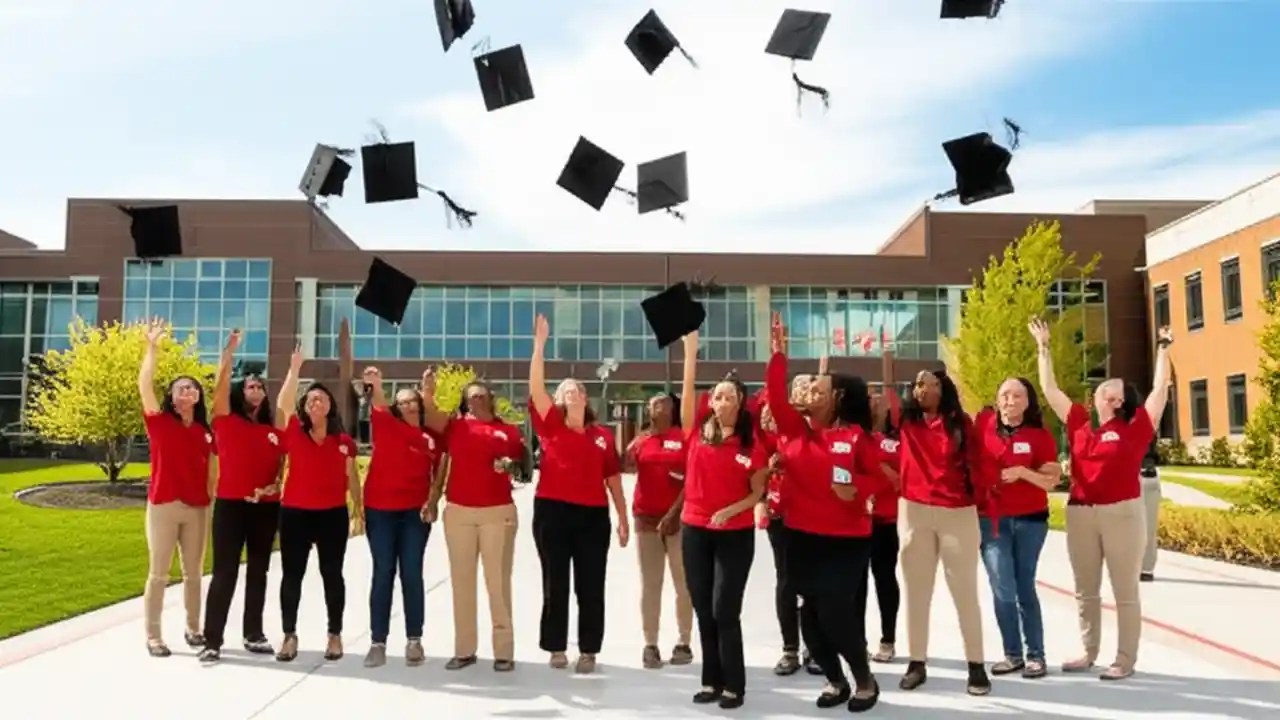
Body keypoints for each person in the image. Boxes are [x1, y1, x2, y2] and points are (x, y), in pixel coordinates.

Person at [1030, 319, 1172, 681]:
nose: (1105, 394)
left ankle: (1125, 658)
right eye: (1101, 390)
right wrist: (1043, 347)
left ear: (1120, 400)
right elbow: (1049, 389)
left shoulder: (1135, 426)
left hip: (1121, 513)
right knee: (1085, 589)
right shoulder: (1078, 422)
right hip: (1081, 514)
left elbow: (1160, 390)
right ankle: (1089, 651)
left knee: (1124, 590)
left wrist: (1164, 348)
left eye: (1112, 391)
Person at [765, 313, 887, 712]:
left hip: (846, 540)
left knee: (835, 612)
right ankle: (837, 681)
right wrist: (778, 354)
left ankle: (864, 680)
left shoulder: (856, 438)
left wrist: (857, 490)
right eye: (810, 388)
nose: (810, 393)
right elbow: (775, 396)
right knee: (810, 620)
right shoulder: (796, 431)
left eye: (819, 389)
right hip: (802, 536)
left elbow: (887, 480)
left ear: (837, 399)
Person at [528, 314, 630, 674]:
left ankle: (588, 650)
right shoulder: (550, 425)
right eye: (566, 389)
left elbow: (614, 479)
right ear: (559, 399)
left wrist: (623, 518)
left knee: (590, 585)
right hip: (553, 513)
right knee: (555, 582)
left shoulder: (601, 435)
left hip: (592, 517)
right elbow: (536, 389)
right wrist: (539, 347)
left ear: (585, 398)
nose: (573, 392)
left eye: (578, 389)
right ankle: (556, 647)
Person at [678, 329, 770, 710]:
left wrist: (730, 511)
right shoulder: (697, 434)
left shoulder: (752, 446)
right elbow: (685, 398)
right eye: (716, 396)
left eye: (729, 396)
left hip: (733, 534)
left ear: (741, 403)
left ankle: (735, 684)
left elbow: (757, 493)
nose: (721, 401)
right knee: (703, 607)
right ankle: (711, 681)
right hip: (694, 530)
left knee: (724, 609)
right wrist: (690, 355)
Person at [888, 360, 991, 695]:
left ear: (942, 389)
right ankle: (916, 662)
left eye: (928, 383)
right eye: (916, 384)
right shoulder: (906, 422)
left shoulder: (961, 424)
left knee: (965, 594)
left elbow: (979, 464)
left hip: (957, 513)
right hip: (915, 511)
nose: (920, 388)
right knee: (917, 594)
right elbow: (888, 391)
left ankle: (976, 666)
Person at [427, 379, 527, 672]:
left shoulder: (508, 430)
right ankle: (465, 650)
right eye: (471, 397)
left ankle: (504, 651)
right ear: (464, 401)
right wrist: (429, 391)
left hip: (498, 512)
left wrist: (511, 464)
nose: (477, 401)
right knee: (462, 583)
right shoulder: (455, 426)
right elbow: (432, 424)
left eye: (482, 396)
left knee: (497, 584)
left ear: (491, 398)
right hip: (459, 512)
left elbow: (525, 469)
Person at [273, 344, 364, 663]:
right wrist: (295, 369)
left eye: (321, 398)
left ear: (330, 406)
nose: (316, 402)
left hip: (332, 515)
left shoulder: (344, 442)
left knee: (332, 574)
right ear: (305, 406)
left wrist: (359, 511)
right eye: (311, 398)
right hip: (295, 513)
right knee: (292, 575)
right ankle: (288, 636)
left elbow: (352, 478)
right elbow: (284, 402)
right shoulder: (294, 431)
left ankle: (334, 635)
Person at [198, 330, 284, 662]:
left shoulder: (272, 431)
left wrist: (275, 485)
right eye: (250, 385)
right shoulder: (225, 421)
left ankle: (253, 633)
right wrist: (228, 355)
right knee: (225, 573)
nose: (257, 389)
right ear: (240, 391)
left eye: (261, 386)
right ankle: (212, 640)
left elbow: (283, 467)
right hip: (231, 507)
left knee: (259, 571)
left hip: (265, 509)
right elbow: (219, 389)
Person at [973, 378, 1062, 679]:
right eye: (1005, 395)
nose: (1010, 400)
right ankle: (1012, 654)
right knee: (1002, 587)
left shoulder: (1039, 436)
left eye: (1017, 395)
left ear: (1028, 402)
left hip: (1030, 521)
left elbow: (1052, 480)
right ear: (997, 400)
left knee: (1025, 586)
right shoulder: (982, 430)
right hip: (992, 520)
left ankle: (1036, 655)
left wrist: (1023, 472)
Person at [137, 318, 215, 658]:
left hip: (198, 507)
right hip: (164, 506)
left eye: (193, 387)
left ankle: (194, 629)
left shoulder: (204, 432)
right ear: (172, 396)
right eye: (182, 387)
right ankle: (153, 637)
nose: (189, 391)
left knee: (194, 573)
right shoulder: (160, 423)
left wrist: (213, 498)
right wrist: (151, 348)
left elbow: (213, 471)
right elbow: (144, 386)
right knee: (158, 574)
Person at [361, 366, 447, 668]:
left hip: (414, 514)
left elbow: (438, 475)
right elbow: (380, 401)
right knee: (383, 572)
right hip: (380, 511)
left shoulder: (432, 439)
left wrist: (432, 501)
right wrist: (377, 382)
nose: (409, 405)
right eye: (403, 402)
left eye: (414, 401)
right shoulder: (386, 424)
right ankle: (377, 642)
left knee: (411, 573)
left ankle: (414, 641)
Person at [624, 391, 694, 669]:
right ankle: (650, 644)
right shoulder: (643, 440)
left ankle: (684, 641)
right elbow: (626, 466)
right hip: (646, 520)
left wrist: (674, 513)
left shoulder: (685, 438)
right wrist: (632, 447)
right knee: (651, 585)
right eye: (652, 403)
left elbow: (692, 478)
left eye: (662, 402)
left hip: (678, 521)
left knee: (683, 584)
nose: (655, 405)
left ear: (673, 408)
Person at [757, 376, 820, 676]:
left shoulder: (820, 425)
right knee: (786, 581)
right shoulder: (772, 426)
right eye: (800, 388)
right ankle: (790, 649)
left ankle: (816, 648)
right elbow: (758, 464)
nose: (805, 393)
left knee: (814, 585)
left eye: (810, 389)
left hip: (814, 513)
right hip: (781, 514)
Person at [865, 348, 902, 665]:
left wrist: (885, 471)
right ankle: (855, 640)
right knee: (851, 585)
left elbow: (905, 480)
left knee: (884, 580)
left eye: (880, 400)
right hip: (853, 522)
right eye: (870, 400)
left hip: (885, 523)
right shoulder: (853, 435)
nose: (874, 404)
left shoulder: (897, 441)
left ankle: (888, 639)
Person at [1139, 439, 1161, 582]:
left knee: (1146, 525)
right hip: (1144, 473)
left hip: (1143, 473)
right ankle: (1143, 568)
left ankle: (1144, 568)